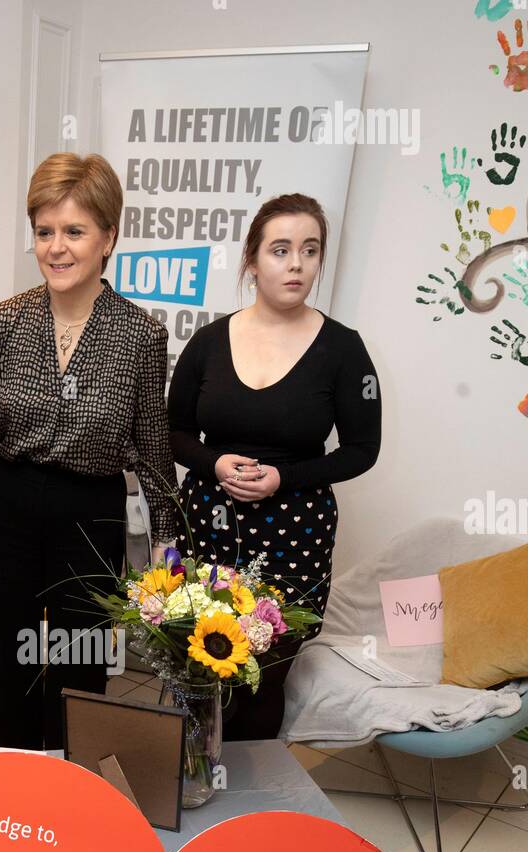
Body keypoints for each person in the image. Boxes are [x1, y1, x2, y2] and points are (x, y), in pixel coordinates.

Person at [0, 152, 179, 750]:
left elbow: (152, 451)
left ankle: (73, 782)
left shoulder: (140, 335)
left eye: (74, 231)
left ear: (108, 238)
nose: (56, 247)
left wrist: (165, 541)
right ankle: (12, 779)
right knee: (16, 656)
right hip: (13, 499)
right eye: (44, 232)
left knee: (82, 657)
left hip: (91, 508)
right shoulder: (4, 322)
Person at [167, 192, 382, 740]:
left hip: (296, 535)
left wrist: (285, 478)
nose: (296, 264)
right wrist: (214, 464)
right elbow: (171, 432)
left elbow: (362, 450)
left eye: (309, 251)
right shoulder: (210, 342)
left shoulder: (343, 349)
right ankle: (194, 785)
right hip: (209, 529)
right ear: (252, 260)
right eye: (280, 249)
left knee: (265, 675)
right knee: (202, 663)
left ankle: (254, 807)